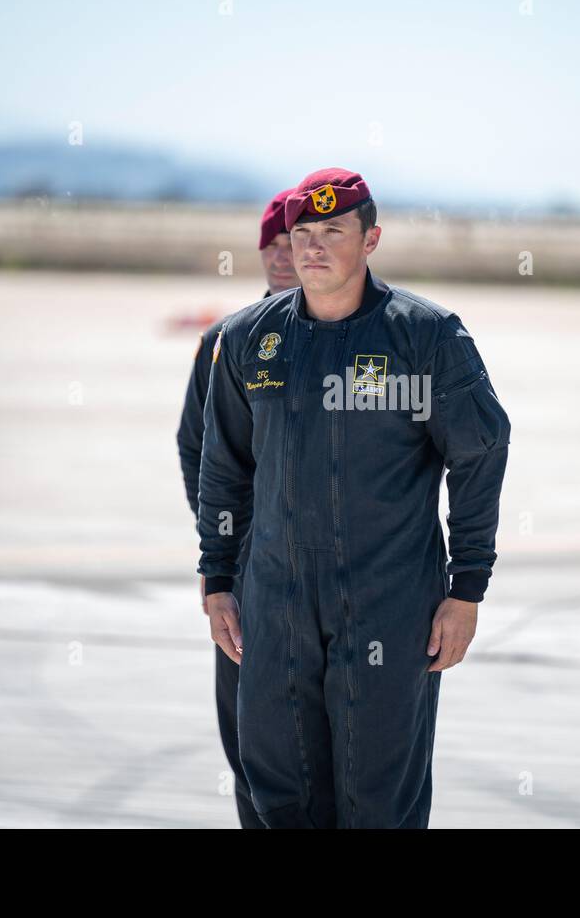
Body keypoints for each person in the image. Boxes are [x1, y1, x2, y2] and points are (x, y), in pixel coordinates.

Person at [197, 168, 510, 827]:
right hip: (276, 603)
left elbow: (478, 454)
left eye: (333, 230)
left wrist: (467, 590)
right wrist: (217, 577)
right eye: (302, 232)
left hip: (390, 606)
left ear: (370, 239)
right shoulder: (252, 340)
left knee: (377, 804)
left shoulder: (425, 337)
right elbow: (223, 465)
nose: (312, 246)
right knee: (280, 796)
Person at [176, 188, 296, 828]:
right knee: (251, 747)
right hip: (250, 575)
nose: (281, 258)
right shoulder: (228, 342)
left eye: (292, 244)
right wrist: (226, 545)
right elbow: (197, 450)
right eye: (270, 246)